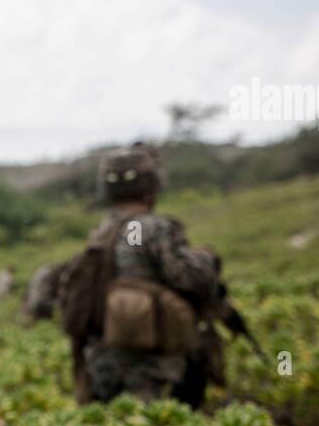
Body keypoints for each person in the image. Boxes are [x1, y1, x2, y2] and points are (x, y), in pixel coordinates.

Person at [59, 143, 221, 405]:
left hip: (102, 361)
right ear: (152, 185)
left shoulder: (102, 231)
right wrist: (206, 259)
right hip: (155, 365)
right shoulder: (154, 228)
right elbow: (191, 280)